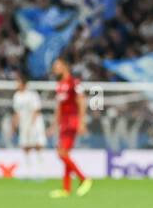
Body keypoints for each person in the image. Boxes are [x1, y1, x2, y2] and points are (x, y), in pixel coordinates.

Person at [49, 58, 93, 198]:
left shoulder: (74, 82)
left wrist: (81, 122)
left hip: (72, 121)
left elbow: (81, 101)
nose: (55, 68)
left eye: (57, 65)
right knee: (64, 154)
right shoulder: (59, 85)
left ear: (65, 66)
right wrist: (54, 125)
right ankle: (66, 189)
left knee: (61, 153)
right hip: (64, 122)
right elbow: (59, 107)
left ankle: (84, 179)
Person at [12, 77, 46, 179]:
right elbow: (17, 112)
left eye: (18, 82)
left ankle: (41, 171)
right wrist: (14, 125)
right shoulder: (16, 96)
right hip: (24, 123)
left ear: (24, 84)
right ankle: (27, 171)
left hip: (35, 123)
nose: (16, 85)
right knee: (25, 146)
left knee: (37, 145)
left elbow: (36, 110)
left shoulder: (32, 95)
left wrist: (32, 125)